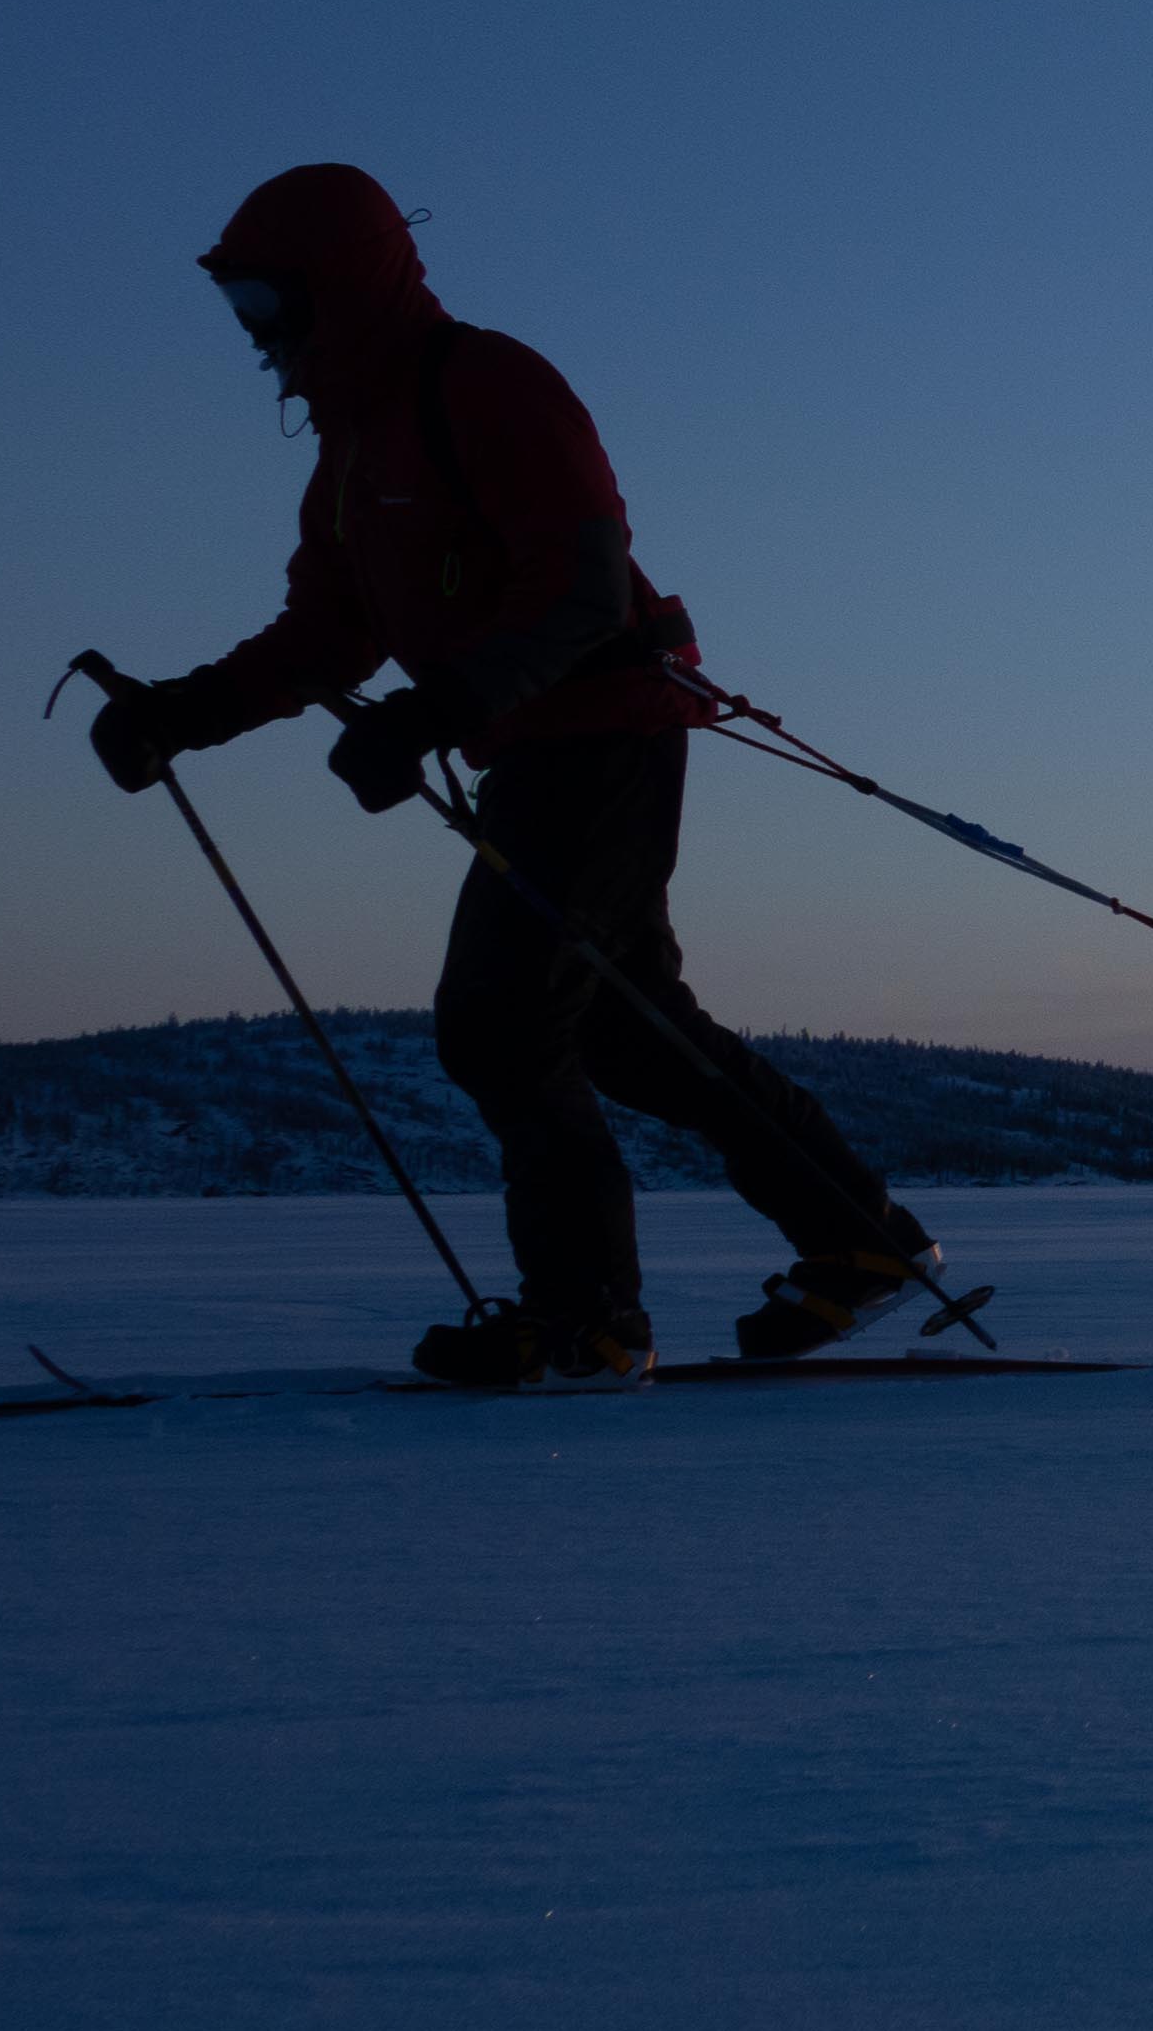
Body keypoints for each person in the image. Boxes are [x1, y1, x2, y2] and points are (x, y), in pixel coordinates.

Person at [84, 165, 946, 1386]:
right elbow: (327, 635)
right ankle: (859, 1247)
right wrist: (183, 713)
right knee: (634, 1038)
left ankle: (589, 1321)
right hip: (534, 748)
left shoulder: (489, 387)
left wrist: (433, 711)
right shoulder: (350, 452)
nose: (257, 338)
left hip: (602, 734)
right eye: (241, 311)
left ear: (340, 286)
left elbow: (584, 590)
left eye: (266, 304)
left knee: (500, 1023)